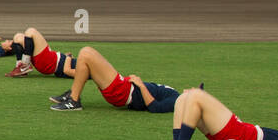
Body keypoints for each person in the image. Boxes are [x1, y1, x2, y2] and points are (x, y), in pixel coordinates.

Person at [49, 46, 180, 112]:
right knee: (85, 60)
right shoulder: (176, 96)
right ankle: (73, 95)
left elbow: (155, 107)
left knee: (86, 52)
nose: (191, 89)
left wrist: (141, 85)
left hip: (123, 92)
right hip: (123, 89)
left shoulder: (177, 100)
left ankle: (74, 101)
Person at [5, 26, 78, 79]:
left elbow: (67, 71)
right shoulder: (84, 67)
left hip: (49, 63)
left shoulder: (84, 72)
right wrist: (67, 57)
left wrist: (68, 58)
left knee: (31, 31)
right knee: (18, 37)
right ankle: (20, 66)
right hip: (51, 61)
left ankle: (25, 65)